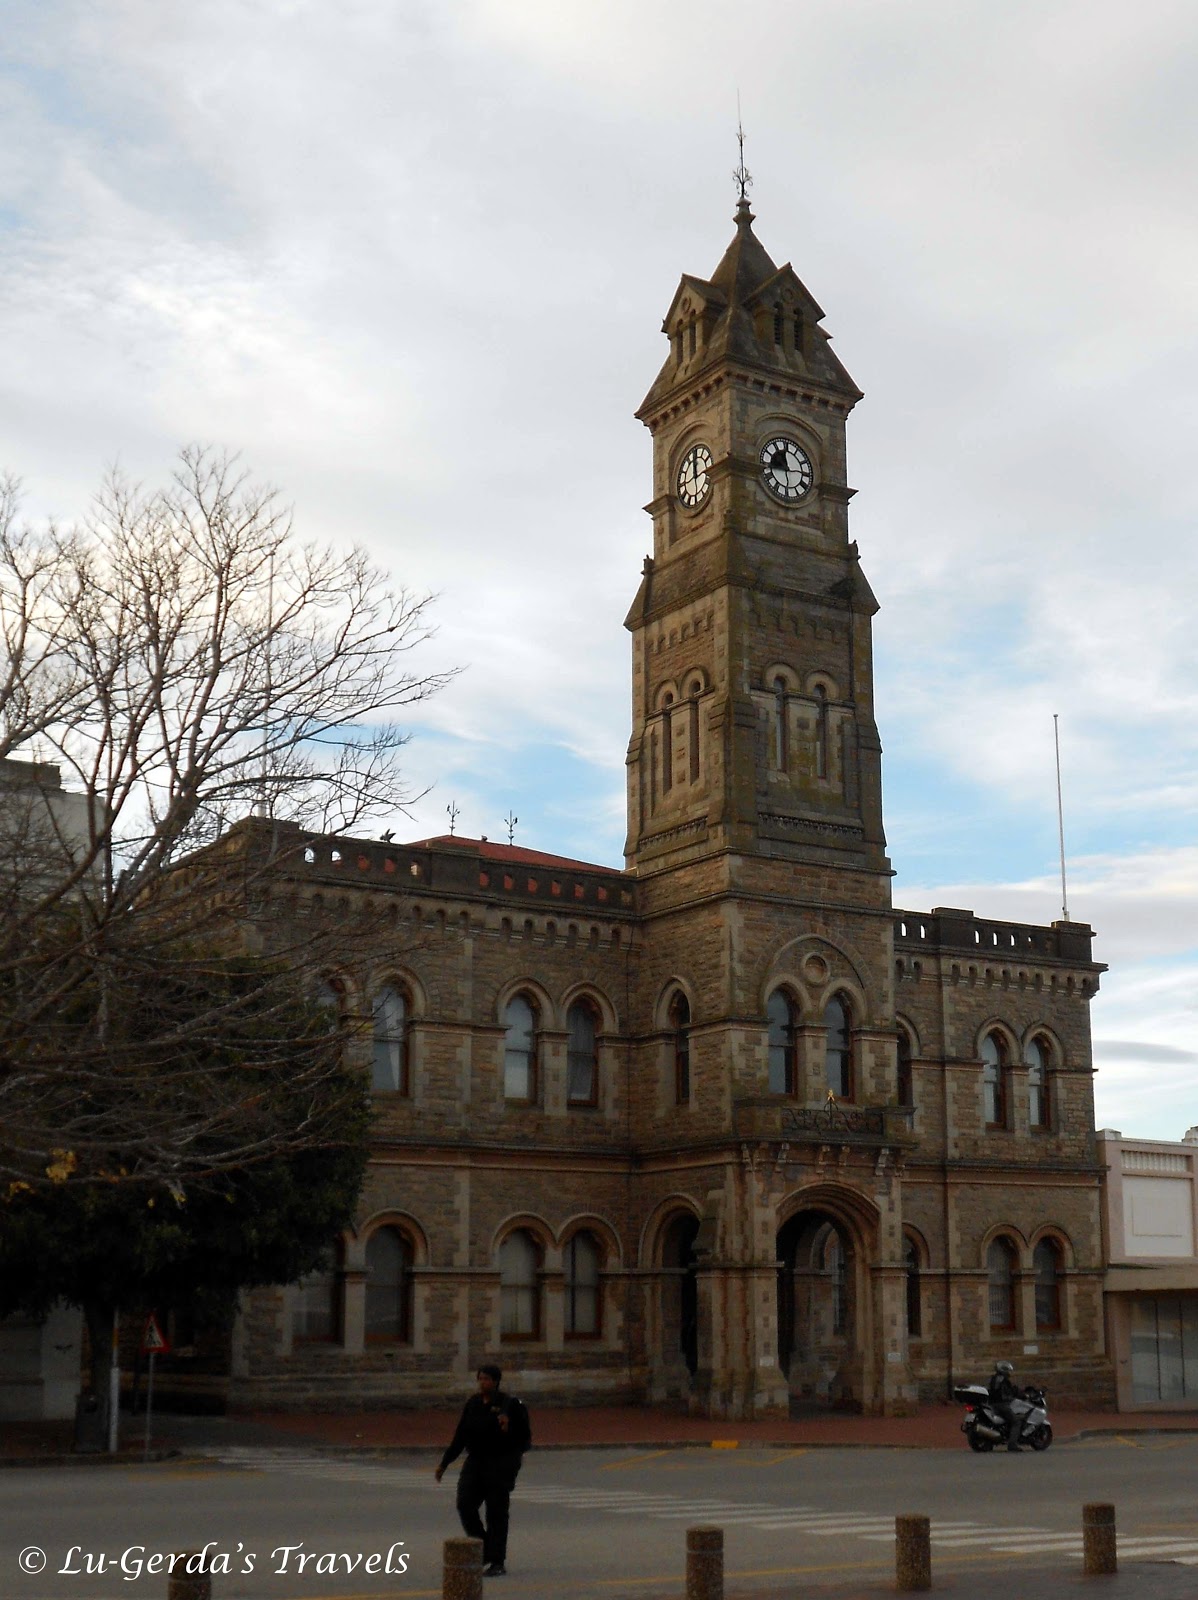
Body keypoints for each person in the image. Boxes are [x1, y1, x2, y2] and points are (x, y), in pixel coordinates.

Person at [435, 1364, 531, 1576]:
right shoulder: (473, 1403)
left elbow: (525, 1438)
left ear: (496, 1381)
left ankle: (497, 1561)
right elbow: (460, 1435)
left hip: (500, 1464)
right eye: (480, 1379)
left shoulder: (510, 1405)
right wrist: (445, 1462)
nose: (483, 1383)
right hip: (475, 1462)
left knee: (496, 1513)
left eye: (487, 1379)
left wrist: (509, 1434)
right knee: (465, 1504)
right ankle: (484, 1549)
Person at [987, 1359, 1025, 1451]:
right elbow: (1011, 1392)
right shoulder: (1004, 1380)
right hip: (1002, 1405)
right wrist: (1022, 1394)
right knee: (1016, 1421)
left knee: (1007, 1420)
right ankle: (1012, 1444)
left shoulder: (993, 1378)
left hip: (992, 1404)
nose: (1009, 1372)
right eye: (1007, 1370)